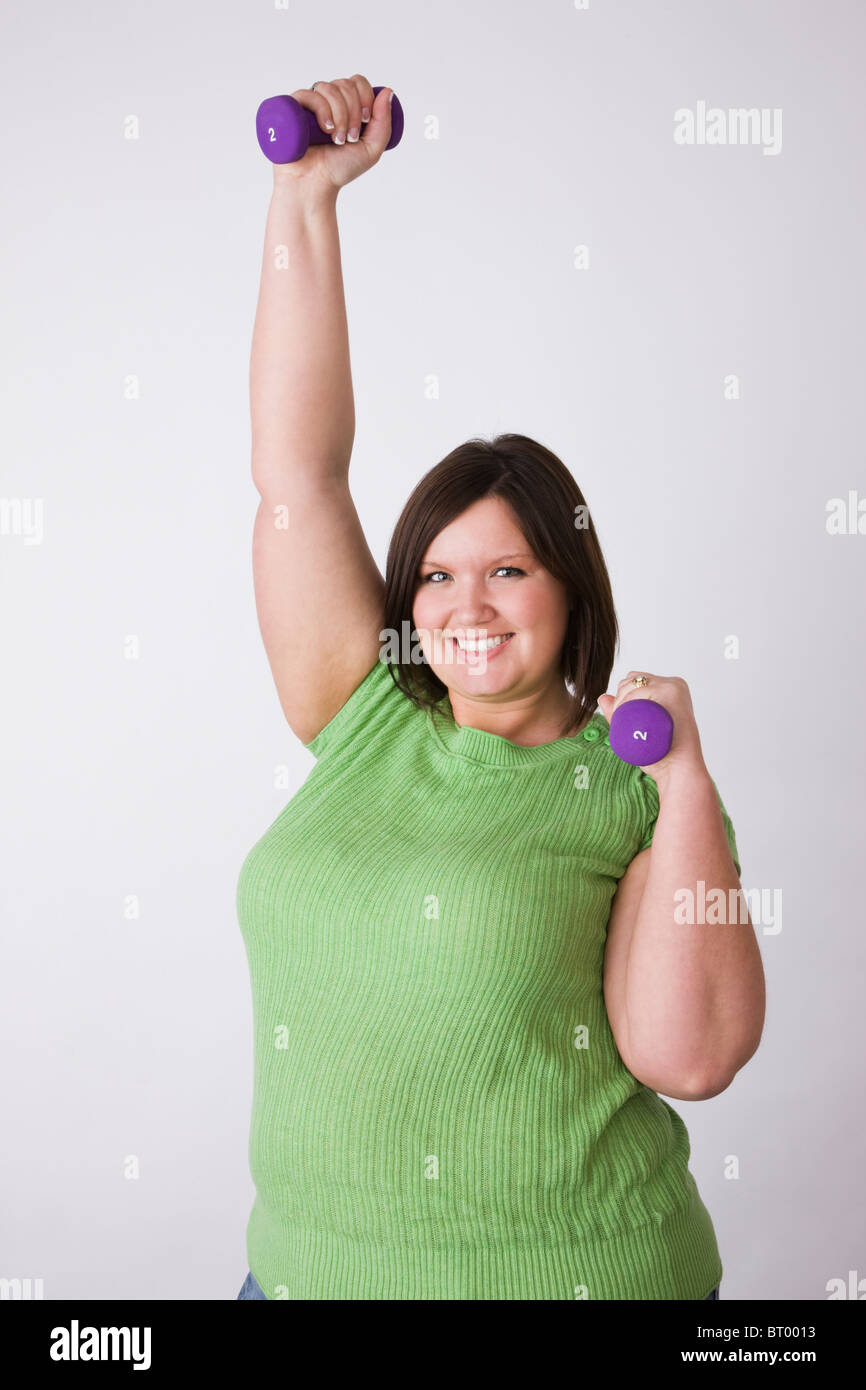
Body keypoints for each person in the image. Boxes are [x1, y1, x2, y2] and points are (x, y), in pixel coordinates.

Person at [235, 74, 765, 1301]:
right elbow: (294, 478)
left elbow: (687, 1058)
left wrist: (681, 775)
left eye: (507, 569)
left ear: (571, 586)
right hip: (300, 1281)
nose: (462, 607)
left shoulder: (629, 790)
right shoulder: (362, 718)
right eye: (434, 575)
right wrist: (301, 198)